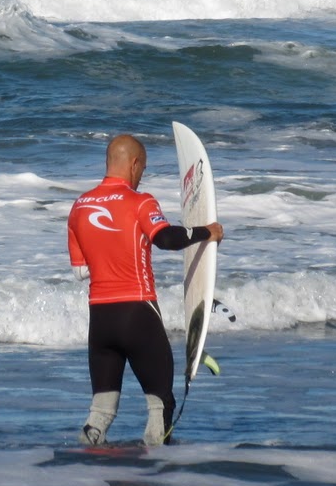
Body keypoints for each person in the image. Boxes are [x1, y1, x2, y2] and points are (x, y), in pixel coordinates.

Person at [67, 133, 223, 446]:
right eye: (143, 169)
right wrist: (207, 232)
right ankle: (157, 468)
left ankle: (86, 464)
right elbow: (165, 238)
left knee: (101, 411)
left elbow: (80, 271)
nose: (141, 176)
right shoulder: (140, 201)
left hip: (100, 321)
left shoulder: (79, 206)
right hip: (137, 313)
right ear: (135, 164)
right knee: (161, 404)